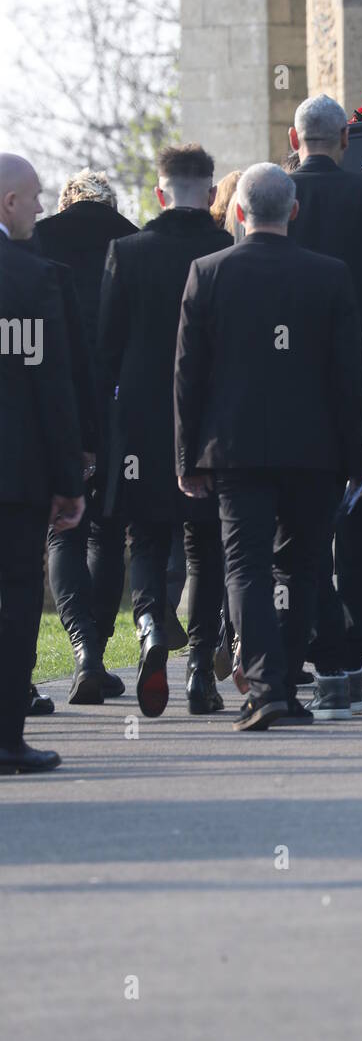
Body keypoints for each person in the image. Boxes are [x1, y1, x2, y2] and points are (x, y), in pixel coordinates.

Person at [174, 163, 362, 731]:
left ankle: (264, 689)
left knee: (246, 568)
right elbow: (347, 375)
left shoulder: (207, 273)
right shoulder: (330, 276)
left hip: (236, 449)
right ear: (294, 210)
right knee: (302, 570)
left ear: (237, 211)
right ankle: (283, 683)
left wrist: (186, 458)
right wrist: (360, 455)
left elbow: (187, 376)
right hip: (314, 450)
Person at [98, 144, 232, 717]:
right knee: (206, 549)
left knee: (146, 537)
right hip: (209, 419)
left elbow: (106, 349)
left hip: (145, 420)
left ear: (159, 193)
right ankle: (202, 673)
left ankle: (152, 625)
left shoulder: (125, 252)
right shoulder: (229, 251)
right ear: (209, 195)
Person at [288, 94, 362, 678]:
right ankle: (360, 630)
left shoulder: (278, 193)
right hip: (356, 366)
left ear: (293, 137)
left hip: (288, 371)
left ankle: (308, 626)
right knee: (358, 504)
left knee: (298, 511)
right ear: (347, 138)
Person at [34, 169, 137, 702]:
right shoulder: (133, 239)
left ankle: (86, 654)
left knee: (62, 532)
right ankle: (95, 649)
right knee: (105, 531)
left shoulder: (39, 241)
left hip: (56, 404)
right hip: (120, 407)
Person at [0, 153, 85, 773]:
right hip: (15, 475)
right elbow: (49, 387)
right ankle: (6, 737)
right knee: (15, 600)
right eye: (32, 197)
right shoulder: (27, 278)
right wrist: (67, 480)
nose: (39, 208)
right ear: (7, 203)